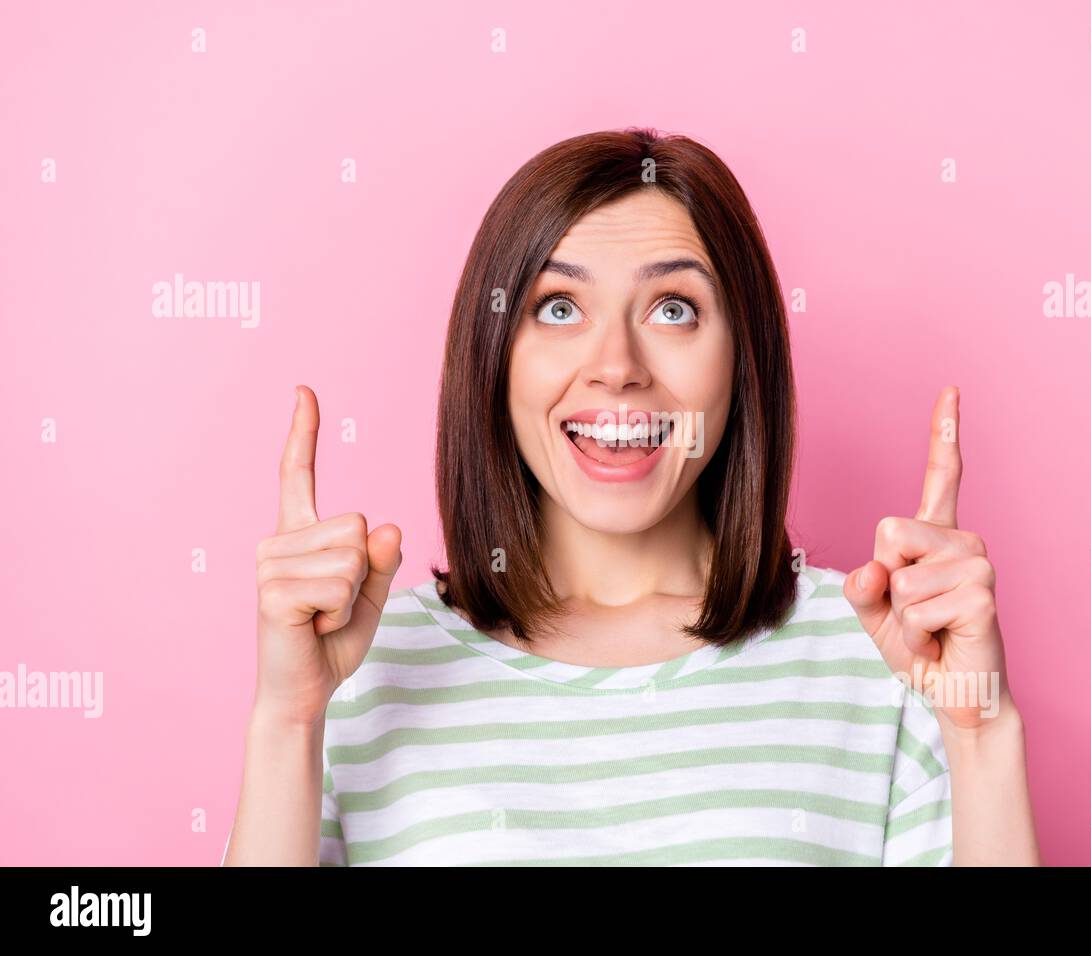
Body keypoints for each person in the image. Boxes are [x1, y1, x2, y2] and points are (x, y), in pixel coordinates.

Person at [222, 128, 1039, 866]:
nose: (617, 364)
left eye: (674, 309)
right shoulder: (361, 666)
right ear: (495, 357)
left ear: (742, 359)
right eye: (561, 307)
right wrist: (289, 723)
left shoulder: (885, 657)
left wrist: (982, 738)